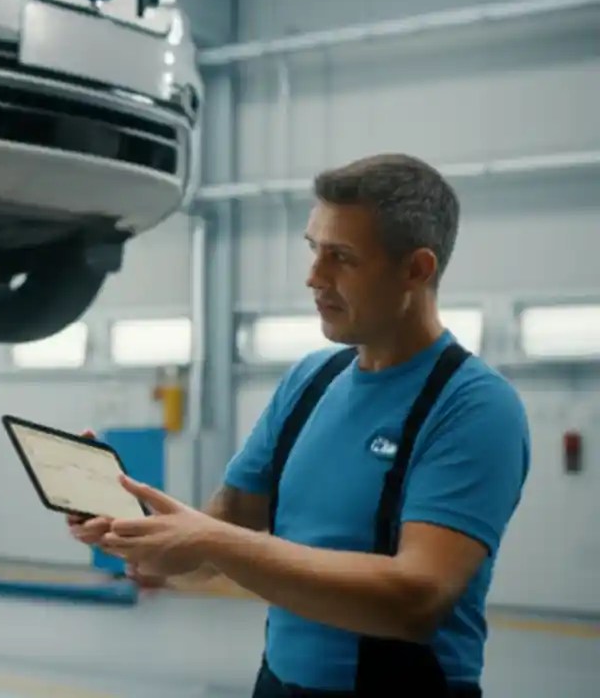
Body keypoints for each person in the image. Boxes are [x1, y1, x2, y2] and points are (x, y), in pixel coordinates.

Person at [70, 153, 530, 697]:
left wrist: (210, 539)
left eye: (342, 257)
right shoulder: (311, 382)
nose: (314, 277)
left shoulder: (474, 407)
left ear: (416, 269)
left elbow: (416, 600)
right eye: (314, 250)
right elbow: (211, 549)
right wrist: (139, 538)